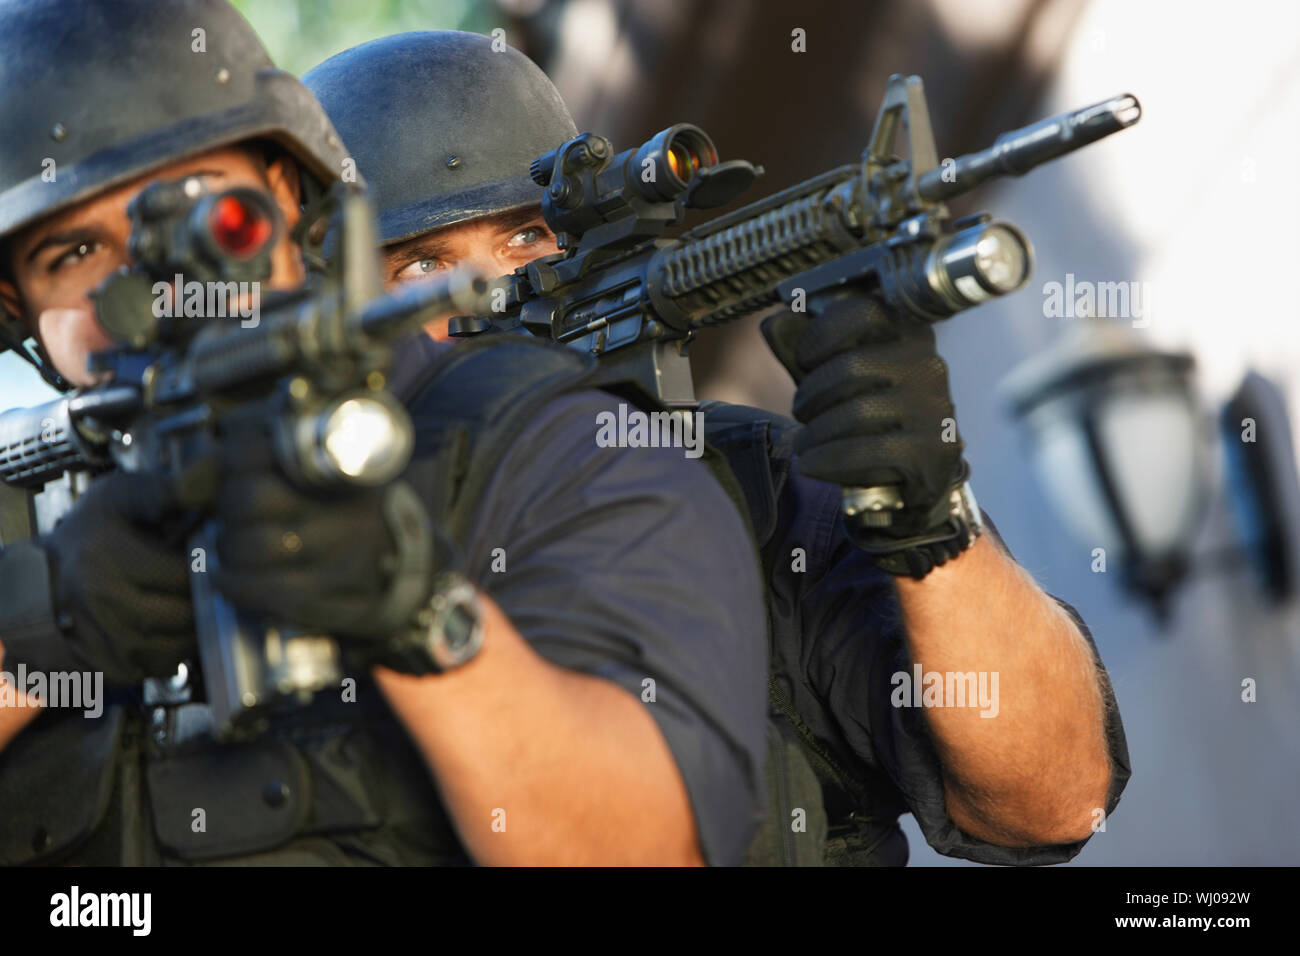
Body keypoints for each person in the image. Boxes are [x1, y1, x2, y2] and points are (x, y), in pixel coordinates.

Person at [303, 30, 1132, 865]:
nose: (502, 293)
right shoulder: (269, 559)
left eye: (526, 241)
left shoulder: (757, 490)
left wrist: (929, 517)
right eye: (423, 266)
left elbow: (1058, 800)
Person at [0, 0, 769, 867]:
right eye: (75, 255)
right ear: (18, 309)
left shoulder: (561, 455)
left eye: (199, 216)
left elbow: (641, 852)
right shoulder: (25, 508)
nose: (158, 282)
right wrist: (42, 631)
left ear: (288, 197)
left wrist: (417, 615)